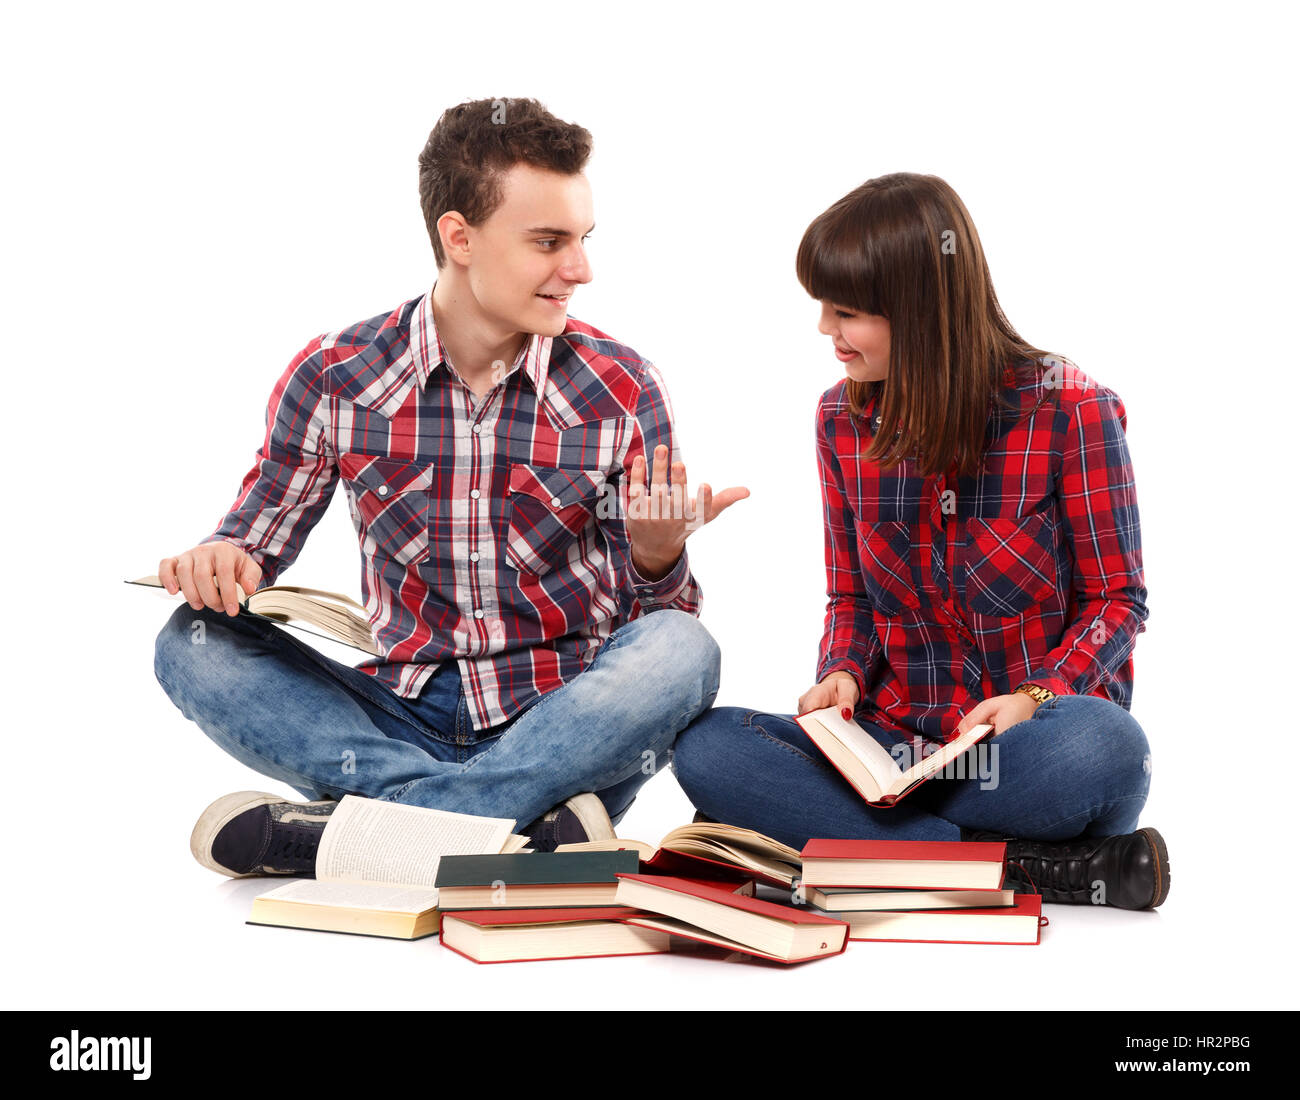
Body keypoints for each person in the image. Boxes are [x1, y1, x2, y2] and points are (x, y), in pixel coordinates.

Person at [153, 97, 746, 877]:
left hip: (563, 729)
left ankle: (362, 837)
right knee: (191, 646)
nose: (581, 269)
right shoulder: (336, 375)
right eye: (548, 242)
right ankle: (519, 833)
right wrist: (219, 561)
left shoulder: (621, 385)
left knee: (683, 648)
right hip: (397, 718)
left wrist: (656, 556)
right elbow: (253, 539)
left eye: (582, 240)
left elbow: (658, 637)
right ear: (458, 237)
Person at [672, 172, 1169, 909]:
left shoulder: (1072, 409)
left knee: (1105, 747)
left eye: (845, 313)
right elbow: (850, 597)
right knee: (710, 745)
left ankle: (837, 841)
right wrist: (841, 672)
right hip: (891, 750)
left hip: (1017, 754)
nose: (824, 333)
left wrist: (1037, 696)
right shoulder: (840, 421)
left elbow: (1117, 600)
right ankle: (1017, 867)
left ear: (920, 312)